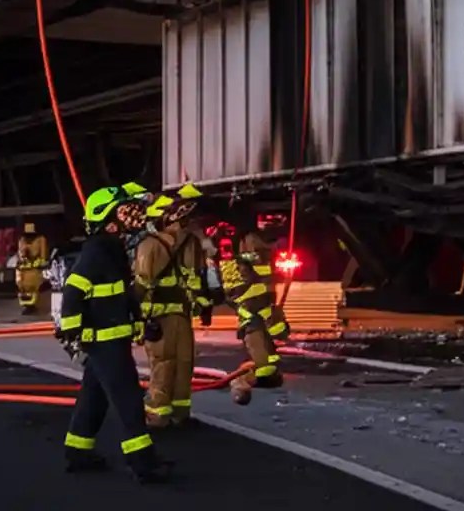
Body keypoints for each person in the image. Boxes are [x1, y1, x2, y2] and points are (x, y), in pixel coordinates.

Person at [56, 186, 171, 484]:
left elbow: (123, 293)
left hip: (110, 339)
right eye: (125, 211)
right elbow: (73, 291)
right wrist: (71, 331)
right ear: (106, 219)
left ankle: (78, 450)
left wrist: (139, 321)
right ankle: (143, 462)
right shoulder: (97, 251)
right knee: (128, 398)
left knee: (94, 397)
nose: (134, 216)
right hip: (103, 341)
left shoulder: (113, 249)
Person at [133, 186, 213, 429]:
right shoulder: (192, 243)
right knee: (183, 363)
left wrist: (136, 321)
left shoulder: (150, 245)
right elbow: (198, 278)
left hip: (159, 318)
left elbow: (141, 285)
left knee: (163, 364)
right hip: (182, 315)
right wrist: (204, 305)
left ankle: (158, 415)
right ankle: (180, 414)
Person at [207, 207, 291, 406]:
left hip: (244, 295)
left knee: (252, 326)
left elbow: (221, 277)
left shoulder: (231, 248)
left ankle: (264, 370)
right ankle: (267, 369)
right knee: (259, 324)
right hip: (251, 294)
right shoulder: (244, 244)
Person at [16, 222, 50, 315]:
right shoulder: (22, 240)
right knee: (23, 287)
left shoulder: (40, 239)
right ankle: (26, 306)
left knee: (34, 287)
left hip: (35, 268)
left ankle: (34, 305)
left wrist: (41, 263)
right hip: (24, 268)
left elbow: (43, 255)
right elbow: (20, 253)